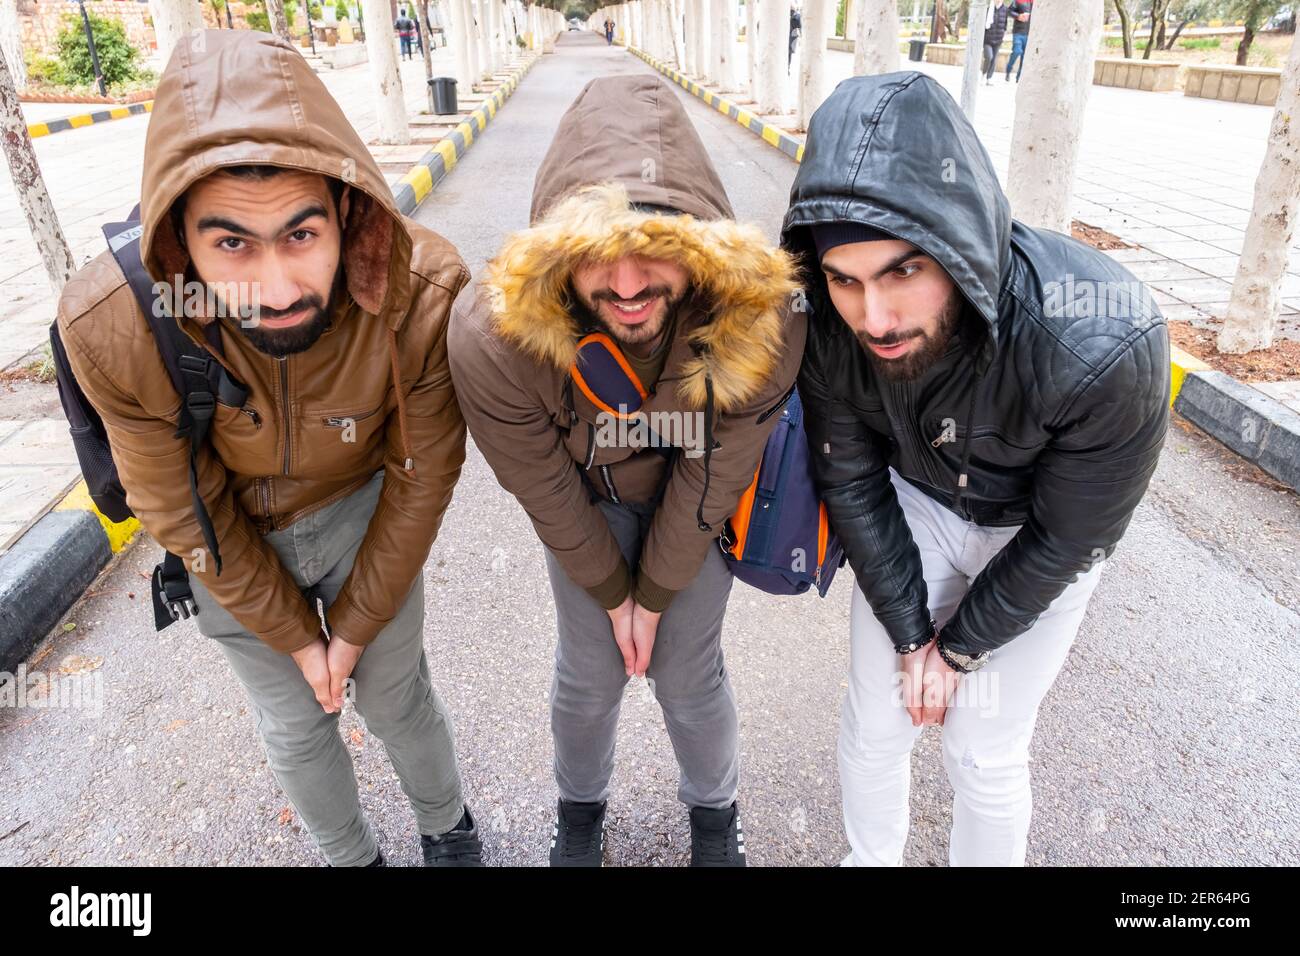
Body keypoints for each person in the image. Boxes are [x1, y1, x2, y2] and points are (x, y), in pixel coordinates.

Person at [56, 30, 482, 868]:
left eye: (301, 235)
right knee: (296, 719)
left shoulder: (419, 291)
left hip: (366, 515)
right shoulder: (112, 322)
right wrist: (298, 638)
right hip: (231, 536)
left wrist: (351, 633)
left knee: (395, 697)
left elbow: (423, 470)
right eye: (232, 245)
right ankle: (350, 857)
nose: (279, 288)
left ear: (347, 216)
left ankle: (447, 827)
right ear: (180, 241)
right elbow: (180, 505)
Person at [781, 72, 1169, 866]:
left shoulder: (1104, 345)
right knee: (878, 717)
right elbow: (850, 479)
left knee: (983, 747)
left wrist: (956, 653)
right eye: (845, 279)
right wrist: (910, 633)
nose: (874, 318)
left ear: (961, 241)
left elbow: (1070, 538)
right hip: (916, 506)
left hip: (1036, 535)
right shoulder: (825, 325)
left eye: (902, 271)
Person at [448, 74, 806, 867]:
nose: (630, 287)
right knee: (588, 674)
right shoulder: (491, 334)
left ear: (703, 251)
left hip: (696, 497)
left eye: (657, 256)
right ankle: (580, 813)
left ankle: (715, 819)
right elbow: (541, 483)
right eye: (598, 260)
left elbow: (715, 468)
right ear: (555, 259)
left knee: (687, 670)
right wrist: (614, 597)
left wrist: (654, 596)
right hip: (586, 500)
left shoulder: (761, 320)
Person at [983, 0, 1009, 85]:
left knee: (994, 59)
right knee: (989, 57)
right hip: (987, 39)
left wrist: (1003, 34)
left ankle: (989, 78)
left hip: (998, 39)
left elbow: (1005, 24)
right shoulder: (988, 8)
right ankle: (983, 74)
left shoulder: (1005, 9)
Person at [1006, 0, 1031, 82]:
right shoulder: (1017, 1)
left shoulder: (1035, 3)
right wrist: (1018, 16)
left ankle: (1019, 78)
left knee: (1025, 57)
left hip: (1029, 34)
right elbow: (1008, 11)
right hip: (1018, 32)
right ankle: (1008, 70)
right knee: (1017, 51)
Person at [789, 2, 803, 71]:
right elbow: (800, 27)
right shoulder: (796, 15)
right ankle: (787, 68)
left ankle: (786, 68)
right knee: (789, 54)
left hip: (787, 38)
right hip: (792, 38)